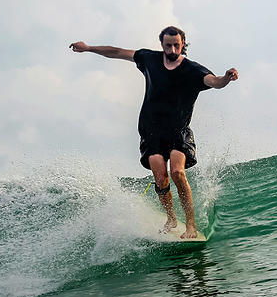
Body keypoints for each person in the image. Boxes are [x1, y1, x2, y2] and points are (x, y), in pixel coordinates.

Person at [70, 26, 238, 238]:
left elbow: (214, 82)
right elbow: (117, 52)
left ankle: (191, 225)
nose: (172, 49)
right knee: (161, 178)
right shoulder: (149, 59)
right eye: (168, 45)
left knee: (177, 173)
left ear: (183, 44)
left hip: (178, 131)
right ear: (162, 44)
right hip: (151, 131)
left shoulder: (193, 70)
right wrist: (88, 48)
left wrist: (226, 78)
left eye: (176, 45)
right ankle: (171, 219)